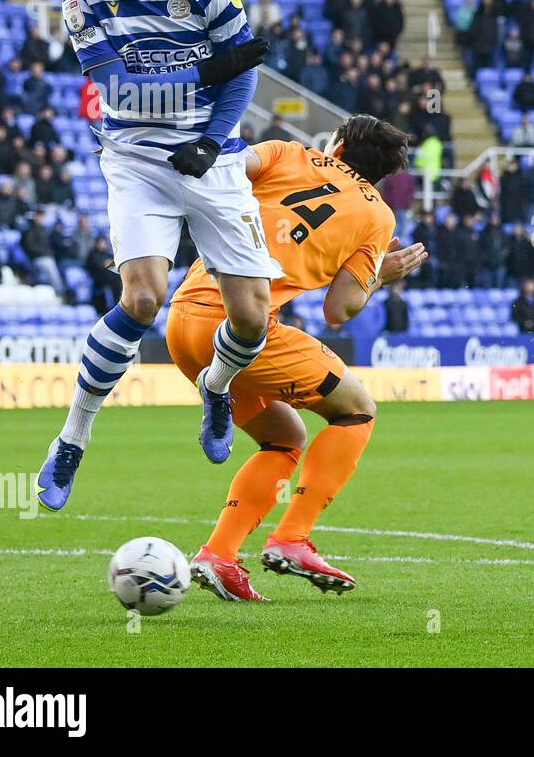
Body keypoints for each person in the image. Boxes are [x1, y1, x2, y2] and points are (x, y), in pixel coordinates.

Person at [36, 0, 276, 513]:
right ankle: (72, 438)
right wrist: (206, 71)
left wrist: (213, 138)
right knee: (143, 298)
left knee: (252, 317)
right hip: (136, 157)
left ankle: (217, 387)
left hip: (211, 156)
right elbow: (119, 91)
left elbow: (243, 70)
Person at [168, 115, 427, 600]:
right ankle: (292, 538)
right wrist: (380, 275)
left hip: (183, 321)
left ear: (340, 142)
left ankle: (219, 555)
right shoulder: (377, 217)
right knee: (357, 412)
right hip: (245, 331)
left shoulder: (286, 152)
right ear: (380, 175)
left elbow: (220, 170)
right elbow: (338, 309)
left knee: (286, 437)